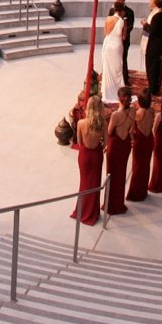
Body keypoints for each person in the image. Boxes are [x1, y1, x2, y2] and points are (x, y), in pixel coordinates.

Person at [69, 96, 106, 226]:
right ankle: (93, 212)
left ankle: (82, 210)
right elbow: (105, 143)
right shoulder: (103, 124)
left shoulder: (81, 123)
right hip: (96, 156)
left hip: (85, 156)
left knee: (84, 183)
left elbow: (79, 142)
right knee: (95, 184)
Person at [105, 86, 134, 216]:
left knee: (111, 174)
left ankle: (111, 204)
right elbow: (131, 128)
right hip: (125, 143)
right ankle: (118, 202)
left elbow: (109, 132)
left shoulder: (116, 115)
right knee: (121, 173)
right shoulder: (133, 111)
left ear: (119, 98)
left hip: (116, 145)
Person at [126, 89, 155, 202]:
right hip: (149, 139)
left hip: (140, 141)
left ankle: (135, 193)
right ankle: (143, 191)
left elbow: (130, 131)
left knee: (137, 167)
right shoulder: (152, 111)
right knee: (145, 166)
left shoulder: (138, 113)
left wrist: (133, 139)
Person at [108, 0, 136, 85]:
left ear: (123, 0)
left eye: (119, 0)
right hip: (113, 40)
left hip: (123, 40)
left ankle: (124, 79)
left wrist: (121, 32)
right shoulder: (112, 11)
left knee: (123, 59)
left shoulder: (129, 12)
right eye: (116, 0)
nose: (117, 2)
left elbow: (130, 26)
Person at [100, 11, 127, 104]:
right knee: (117, 69)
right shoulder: (122, 21)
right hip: (117, 46)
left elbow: (105, 32)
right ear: (121, 11)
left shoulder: (108, 19)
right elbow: (124, 37)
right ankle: (118, 90)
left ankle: (107, 91)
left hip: (107, 45)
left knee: (107, 68)